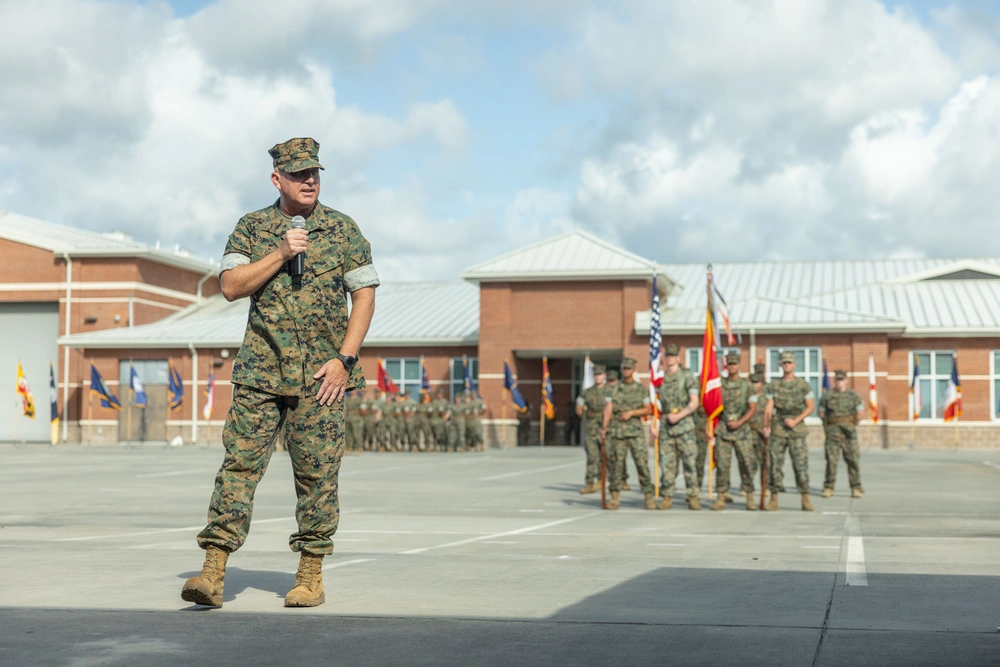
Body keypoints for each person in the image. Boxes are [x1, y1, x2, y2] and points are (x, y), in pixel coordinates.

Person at [182, 137, 378, 609]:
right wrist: (280, 253)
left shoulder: (343, 229)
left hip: (321, 380)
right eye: (298, 174)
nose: (309, 180)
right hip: (260, 374)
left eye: (315, 173)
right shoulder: (252, 228)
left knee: (317, 475)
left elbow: (366, 295)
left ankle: (310, 575)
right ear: (278, 179)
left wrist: (344, 360)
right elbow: (231, 286)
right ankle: (213, 571)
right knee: (238, 469)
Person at [764, 351, 815, 512]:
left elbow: (810, 407)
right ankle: (774, 498)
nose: (787, 365)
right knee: (775, 465)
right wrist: (767, 425)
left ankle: (805, 498)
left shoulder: (803, 385)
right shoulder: (773, 385)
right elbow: (769, 407)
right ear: (780, 365)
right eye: (784, 362)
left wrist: (795, 421)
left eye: (789, 362)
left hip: (797, 429)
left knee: (800, 465)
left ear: (794, 364)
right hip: (778, 428)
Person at [601, 357, 655, 510]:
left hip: (635, 431)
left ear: (633, 370)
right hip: (618, 431)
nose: (626, 371)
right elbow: (608, 409)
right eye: (624, 368)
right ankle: (615, 497)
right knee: (616, 465)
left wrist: (631, 413)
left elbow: (648, 409)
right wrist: (604, 427)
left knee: (642, 465)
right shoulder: (612, 389)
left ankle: (648, 496)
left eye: (629, 368)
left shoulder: (641, 389)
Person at [655, 344, 701, 510]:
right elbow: (656, 403)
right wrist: (655, 423)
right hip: (667, 426)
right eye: (668, 356)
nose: (671, 359)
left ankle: (693, 496)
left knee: (689, 463)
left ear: (678, 358)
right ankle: (667, 496)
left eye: (674, 356)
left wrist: (680, 415)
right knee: (667, 464)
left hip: (684, 426)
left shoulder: (687, 377)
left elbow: (694, 401)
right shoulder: (661, 378)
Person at [712, 351, 758, 511]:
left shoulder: (747, 386)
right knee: (722, 465)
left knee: (746, 464)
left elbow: (752, 409)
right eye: (729, 364)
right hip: (724, 430)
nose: (732, 367)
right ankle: (721, 496)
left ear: (739, 365)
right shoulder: (719, 385)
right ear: (726, 365)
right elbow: (713, 407)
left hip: (742, 430)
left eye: (735, 364)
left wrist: (740, 422)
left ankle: (749, 496)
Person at [818, 370, 865, 498]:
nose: (839, 382)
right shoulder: (827, 396)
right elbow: (821, 413)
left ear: (846, 380)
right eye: (837, 380)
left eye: (841, 379)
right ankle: (828, 487)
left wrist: (851, 424)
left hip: (849, 434)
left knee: (853, 461)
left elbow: (860, 414)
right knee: (831, 462)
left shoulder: (854, 396)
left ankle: (856, 487)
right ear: (834, 381)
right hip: (833, 433)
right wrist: (828, 426)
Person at [575, 364, 610, 494]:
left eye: (600, 374)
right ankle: (589, 483)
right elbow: (579, 406)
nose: (598, 377)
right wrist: (584, 414)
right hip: (590, 426)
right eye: (595, 375)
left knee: (603, 456)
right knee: (591, 456)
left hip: (605, 426)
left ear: (604, 376)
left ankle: (601, 481)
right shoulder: (587, 392)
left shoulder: (609, 391)